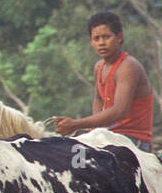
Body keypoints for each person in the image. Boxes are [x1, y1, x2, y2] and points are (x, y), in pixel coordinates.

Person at [52, 11, 154, 153]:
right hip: (108, 136)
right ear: (91, 41)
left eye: (106, 37)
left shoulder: (128, 66)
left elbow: (119, 111)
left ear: (119, 37)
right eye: (96, 38)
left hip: (132, 139)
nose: (101, 43)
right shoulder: (99, 67)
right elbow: (98, 99)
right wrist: (93, 130)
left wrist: (76, 124)